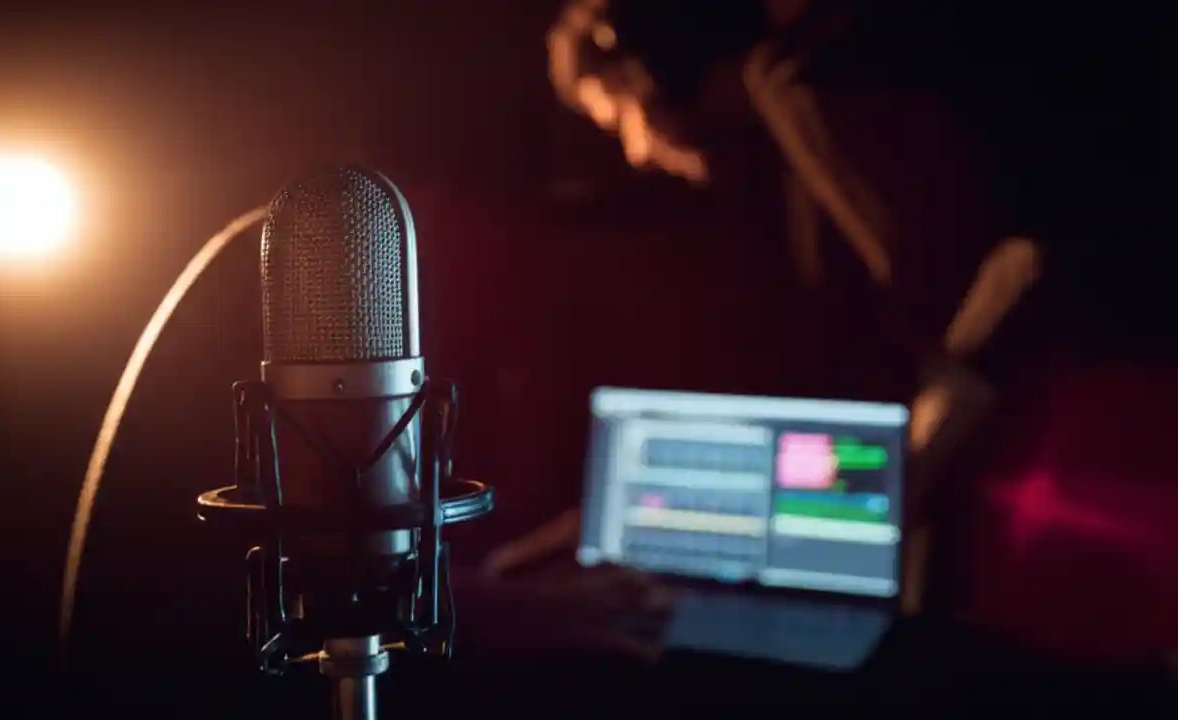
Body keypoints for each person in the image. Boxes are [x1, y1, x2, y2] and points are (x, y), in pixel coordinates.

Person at [482, 0, 1177, 664]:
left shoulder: (814, 83)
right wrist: (620, 520)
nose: (635, 153)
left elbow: (1027, 252)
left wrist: (940, 421)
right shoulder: (782, 137)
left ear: (650, 73)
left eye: (623, 117)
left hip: (1079, 445)